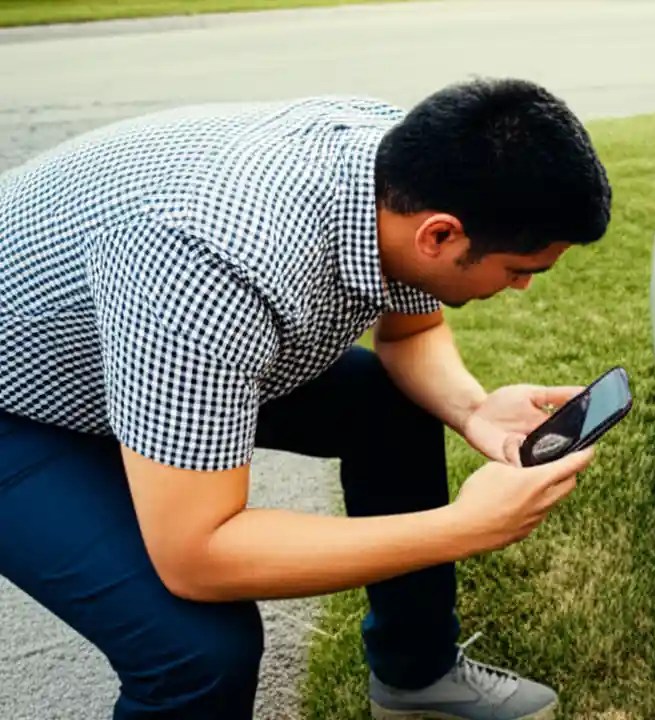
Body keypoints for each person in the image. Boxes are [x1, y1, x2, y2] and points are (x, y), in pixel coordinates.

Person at [0, 77, 612, 720]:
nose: (521, 289)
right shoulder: (213, 257)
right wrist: (459, 529)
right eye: (520, 270)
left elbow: (412, 333)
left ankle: (418, 681)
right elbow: (197, 554)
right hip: (20, 392)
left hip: (127, 342)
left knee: (392, 405)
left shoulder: (397, 166)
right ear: (439, 236)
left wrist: (470, 407)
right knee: (197, 650)